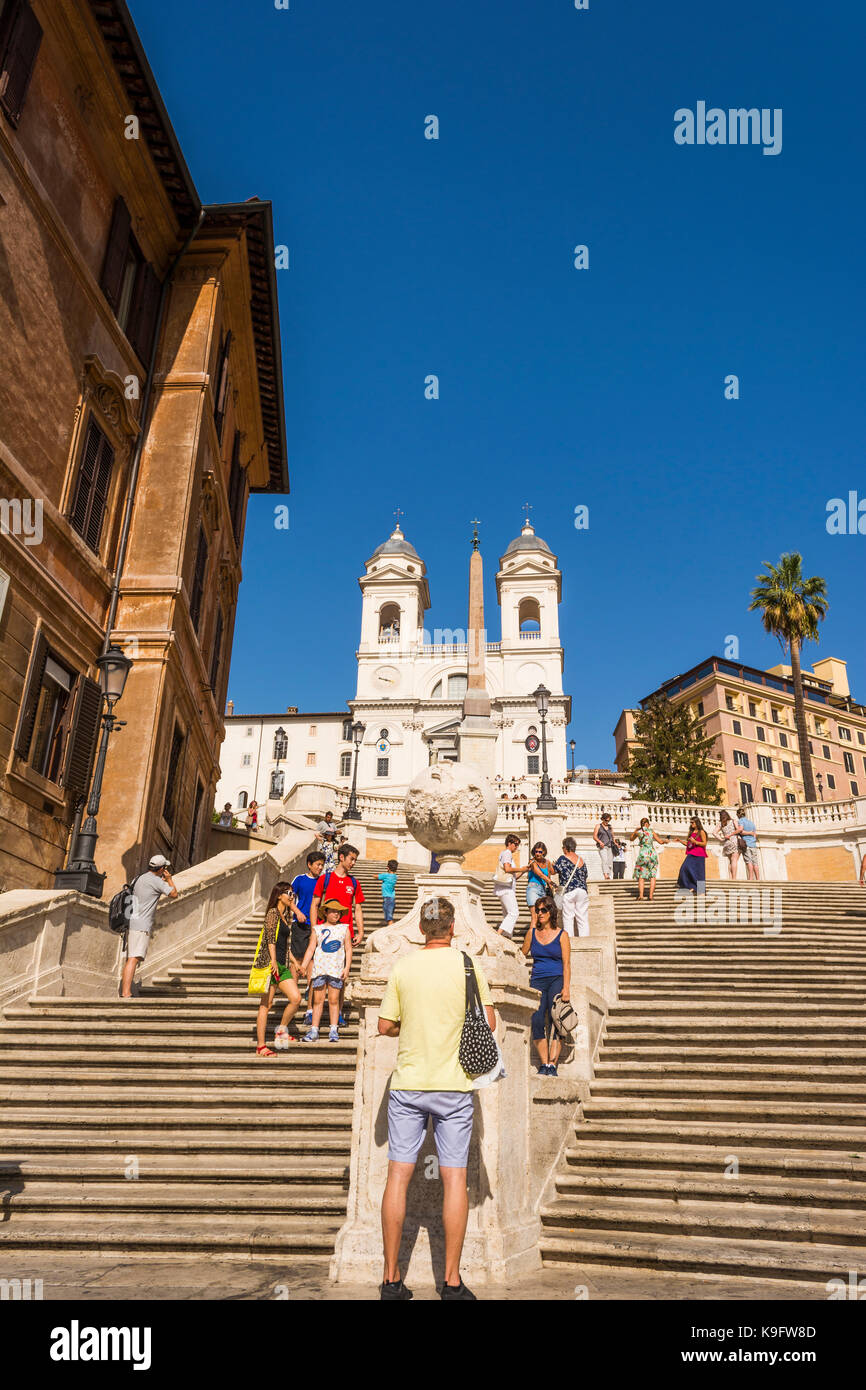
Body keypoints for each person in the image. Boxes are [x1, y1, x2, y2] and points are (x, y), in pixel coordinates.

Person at [377, 895, 495, 1301]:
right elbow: (490, 1021)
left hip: (408, 1084)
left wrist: (408, 1028)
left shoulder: (403, 966)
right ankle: (451, 1281)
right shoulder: (468, 965)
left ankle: (392, 1279)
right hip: (454, 1085)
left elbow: (384, 1025)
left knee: (398, 1177)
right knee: (454, 1179)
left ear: (421, 928)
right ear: (453, 927)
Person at [310, 843, 365, 1024]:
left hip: (344, 933)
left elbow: (357, 909)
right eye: (352, 859)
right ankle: (311, 1010)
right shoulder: (325, 879)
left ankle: (339, 1012)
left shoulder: (354, 882)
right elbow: (315, 904)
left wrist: (361, 930)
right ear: (341, 857)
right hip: (324, 932)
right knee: (318, 972)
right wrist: (314, 929)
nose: (353, 863)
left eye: (355, 860)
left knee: (341, 974)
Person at [520, 896, 570, 1076]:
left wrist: (566, 988)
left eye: (543, 910)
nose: (539, 913)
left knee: (557, 1022)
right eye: (537, 910)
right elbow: (521, 954)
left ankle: (553, 1064)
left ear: (551, 912)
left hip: (556, 978)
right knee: (537, 1020)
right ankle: (544, 1063)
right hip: (537, 981)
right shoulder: (532, 933)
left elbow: (566, 964)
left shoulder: (562, 935)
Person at [253, 882, 303, 1056]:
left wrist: (295, 962)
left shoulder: (284, 916)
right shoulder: (273, 913)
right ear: (279, 895)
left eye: (292, 893)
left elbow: (283, 943)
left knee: (296, 998)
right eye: (288, 893)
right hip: (271, 964)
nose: (291, 896)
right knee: (266, 1004)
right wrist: (273, 960)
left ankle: (281, 1030)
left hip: (282, 965)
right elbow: (270, 939)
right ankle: (261, 1046)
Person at [120, 854, 178, 998]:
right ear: (162, 868)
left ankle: (125, 991)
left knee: (132, 957)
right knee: (133, 958)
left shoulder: (138, 878)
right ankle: (126, 992)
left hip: (132, 921)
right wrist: (169, 879)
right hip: (142, 924)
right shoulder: (156, 882)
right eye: (165, 867)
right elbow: (174, 894)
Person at [300, 897, 352, 1043]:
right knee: (318, 1000)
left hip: (336, 970)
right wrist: (304, 965)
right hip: (320, 969)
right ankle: (314, 1030)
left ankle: (333, 1029)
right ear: (326, 912)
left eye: (339, 912)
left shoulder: (344, 929)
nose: (336, 914)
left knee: (334, 1000)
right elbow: (311, 948)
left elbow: (348, 949)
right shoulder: (318, 929)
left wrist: (347, 967)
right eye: (333, 911)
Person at [290, 850, 325, 1012]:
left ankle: (310, 1005)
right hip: (300, 925)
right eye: (318, 864)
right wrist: (297, 912)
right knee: (297, 959)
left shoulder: (323, 881)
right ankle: (293, 993)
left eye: (322, 865)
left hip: (317, 927)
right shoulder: (299, 879)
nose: (320, 867)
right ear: (309, 865)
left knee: (313, 962)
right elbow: (288, 898)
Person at [553, 837, 589, 937]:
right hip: (582, 891)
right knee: (583, 918)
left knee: (568, 917)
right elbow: (585, 875)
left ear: (566, 847)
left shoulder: (562, 858)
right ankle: (585, 940)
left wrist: (552, 864)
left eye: (562, 847)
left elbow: (553, 871)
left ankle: (570, 941)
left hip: (569, 891)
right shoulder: (581, 860)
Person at [494, 833, 527, 937]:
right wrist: (521, 868)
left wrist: (523, 871)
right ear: (509, 843)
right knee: (514, 913)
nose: (517, 847)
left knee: (507, 914)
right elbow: (507, 868)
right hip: (505, 889)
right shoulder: (507, 853)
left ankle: (507, 936)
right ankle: (498, 934)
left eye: (518, 845)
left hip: (505, 887)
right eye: (516, 844)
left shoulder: (505, 854)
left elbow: (513, 877)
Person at [630, 817, 666, 901]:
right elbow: (660, 841)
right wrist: (666, 841)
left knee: (641, 877)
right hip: (652, 854)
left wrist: (636, 830)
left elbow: (631, 839)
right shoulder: (651, 832)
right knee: (652, 876)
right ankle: (650, 896)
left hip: (643, 854)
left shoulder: (638, 832)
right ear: (648, 824)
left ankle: (641, 896)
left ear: (641, 825)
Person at [672, 817, 709, 896]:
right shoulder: (691, 832)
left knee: (700, 873)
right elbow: (688, 844)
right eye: (691, 822)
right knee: (684, 868)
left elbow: (704, 843)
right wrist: (680, 841)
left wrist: (695, 841)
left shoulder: (701, 832)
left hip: (699, 854)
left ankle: (701, 890)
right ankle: (691, 886)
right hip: (691, 853)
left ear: (697, 823)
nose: (691, 824)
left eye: (693, 822)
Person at [526, 841, 556, 933]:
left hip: (543, 890)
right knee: (535, 916)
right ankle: (531, 941)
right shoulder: (532, 862)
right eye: (536, 851)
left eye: (540, 852)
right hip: (533, 889)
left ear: (544, 852)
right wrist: (552, 883)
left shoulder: (547, 863)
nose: (538, 854)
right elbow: (540, 874)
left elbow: (553, 872)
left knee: (543, 917)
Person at [716, 809, 742, 880]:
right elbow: (738, 830)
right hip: (734, 841)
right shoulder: (733, 821)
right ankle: (734, 878)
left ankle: (730, 877)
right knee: (734, 860)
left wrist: (721, 839)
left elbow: (714, 832)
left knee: (730, 861)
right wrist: (731, 834)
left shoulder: (721, 824)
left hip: (727, 843)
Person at [593, 813, 620, 880]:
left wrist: (615, 844)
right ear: (602, 819)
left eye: (608, 820)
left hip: (610, 846)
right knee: (604, 860)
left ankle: (608, 874)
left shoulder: (610, 827)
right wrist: (599, 842)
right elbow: (594, 836)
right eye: (606, 820)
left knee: (610, 861)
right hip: (602, 846)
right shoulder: (598, 826)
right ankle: (605, 875)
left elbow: (613, 837)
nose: (607, 822)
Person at [737, 805, 760, 881]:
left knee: (748, 861)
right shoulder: (751, 823)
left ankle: (750, 878)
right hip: (753, 844)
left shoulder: (741, 821)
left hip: (746, 844)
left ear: (738, 815)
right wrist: (751, 834)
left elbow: (740, 830)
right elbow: (754, 834)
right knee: (755, 862)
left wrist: (748, 833)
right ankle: (758, 878)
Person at [378, 859, 398, 926]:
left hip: (387, 898)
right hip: (392, 898)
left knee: (389, 916)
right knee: (389, 915)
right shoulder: (395, 876)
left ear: (388, 867)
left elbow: (377, 876)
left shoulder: (386, 875)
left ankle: (391, 929)